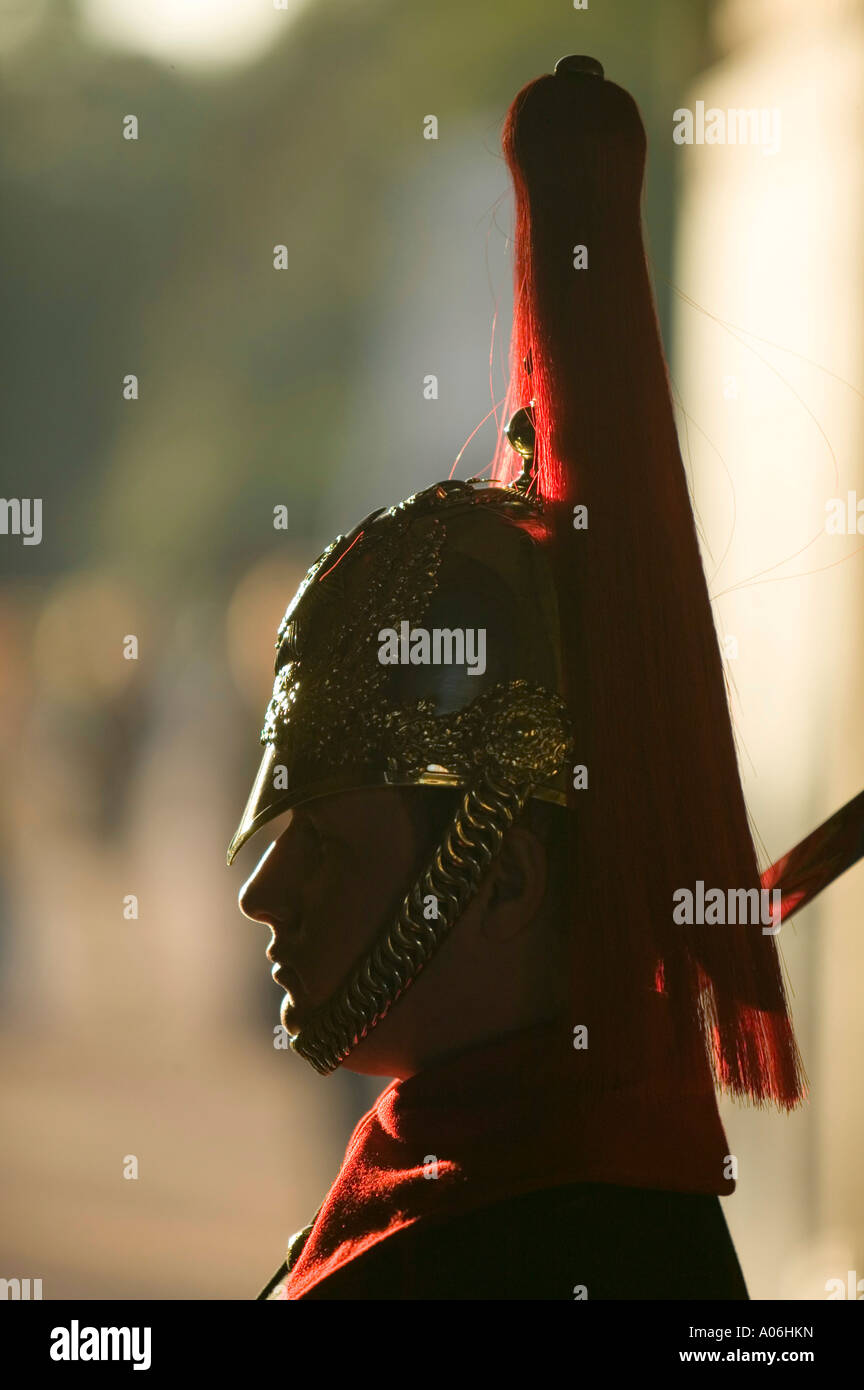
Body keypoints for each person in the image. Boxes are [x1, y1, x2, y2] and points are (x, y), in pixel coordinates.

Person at [228, 56, 804, 1301]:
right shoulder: (478, 1165)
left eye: (323, 839)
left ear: (500, 880)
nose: (262, 894)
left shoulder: (530, 1244)